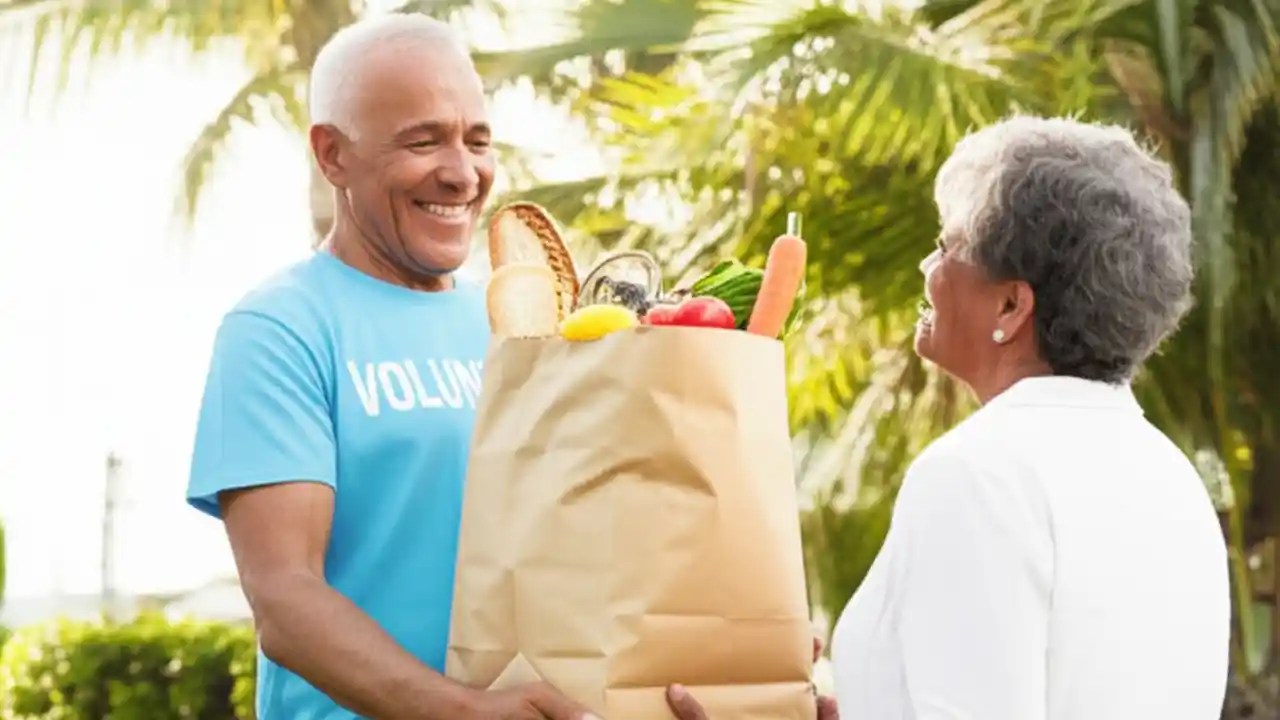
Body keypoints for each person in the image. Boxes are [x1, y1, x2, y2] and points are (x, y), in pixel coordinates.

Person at [668, 116, 1232, 720]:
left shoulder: (978, 471)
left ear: (1011, 305)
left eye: (947, 247)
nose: (926, 268)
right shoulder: (1172, 476)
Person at [186, 13, 597, 720]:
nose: (462, 173)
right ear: (332, 155)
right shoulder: (280, 330)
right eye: (422, 140)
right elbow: (285, 598)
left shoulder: (519, 326)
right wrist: (465, 712)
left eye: (477, 140)